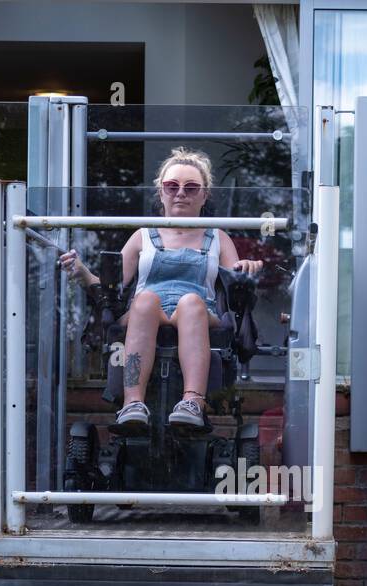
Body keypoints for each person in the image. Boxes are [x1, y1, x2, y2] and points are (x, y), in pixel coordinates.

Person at [59, 147, 262, 431]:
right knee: (145, 300)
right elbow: (111, 288)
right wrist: (80, 272)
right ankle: (133, 403)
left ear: (204, 196)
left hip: (196, 311)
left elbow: (236, 274)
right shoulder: (142, 236)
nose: (181, 193)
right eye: (172, 186)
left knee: (192, 302)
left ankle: (193, 402)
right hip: (147, 311)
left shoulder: (218, 237)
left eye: (191, 188)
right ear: (161, 192)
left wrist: (248, 267)